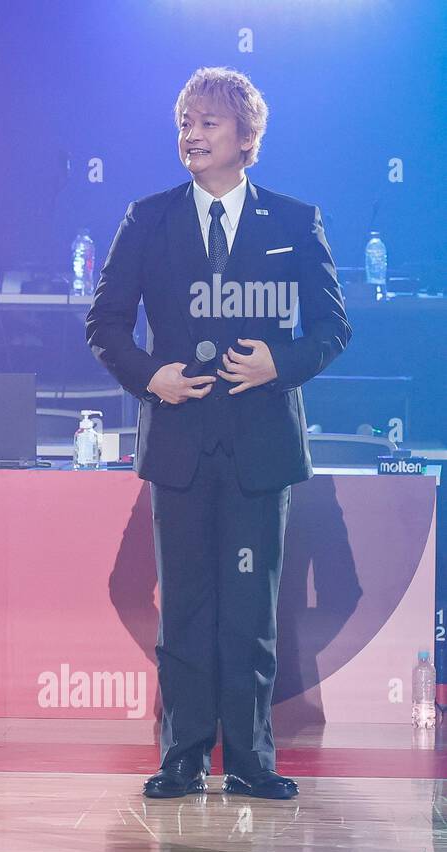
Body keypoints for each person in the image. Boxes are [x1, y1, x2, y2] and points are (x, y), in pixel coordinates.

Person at [85, 67, 350, 800]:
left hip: (260, 447)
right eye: (183, 122)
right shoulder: (147, 218)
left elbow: (333, 327)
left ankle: (251, 760)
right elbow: (104, 325)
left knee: (252, 610)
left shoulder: (295, 222)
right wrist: (151, 377)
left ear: (245, 137)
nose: (190, 135)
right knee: (188, 607)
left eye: (206, 122)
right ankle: (183, 755)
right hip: (178, 444)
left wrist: (280, 363)